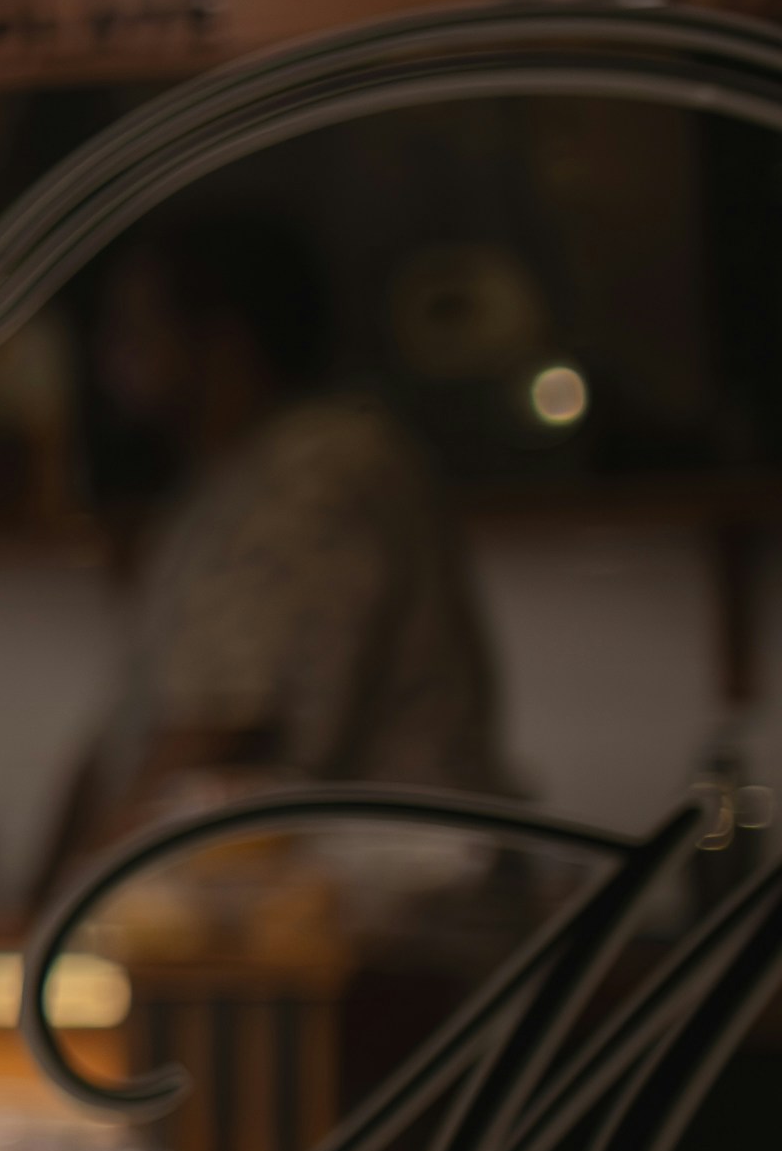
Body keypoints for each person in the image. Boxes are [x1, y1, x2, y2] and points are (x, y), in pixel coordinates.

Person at [48, 208, 513, 886]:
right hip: (311, 932)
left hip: (386, 937)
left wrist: (62, 914)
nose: (109, 356)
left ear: (224, 340)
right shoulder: (227, 479)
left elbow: (218, 734)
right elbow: (136, 732)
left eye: (135, 328)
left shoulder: (308, 475)